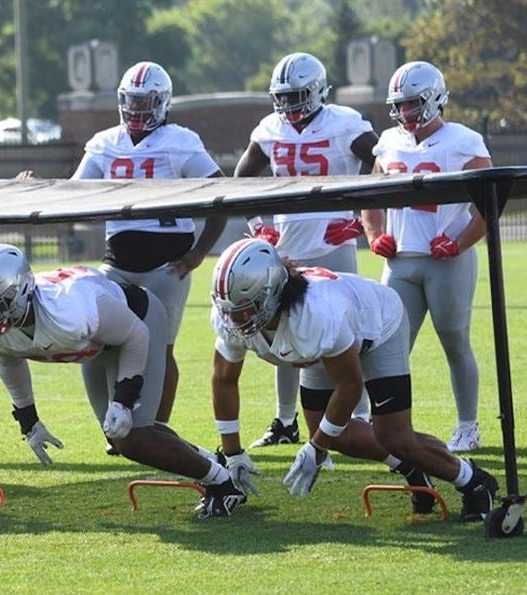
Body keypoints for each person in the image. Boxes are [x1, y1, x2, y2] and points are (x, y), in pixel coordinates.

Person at [210, 238, 498, 521]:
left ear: (272, 292)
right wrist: (233, 453)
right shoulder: (232, 320)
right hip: (323, 344)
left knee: (395, 436)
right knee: (330, 432)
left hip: (378, 324)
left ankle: (473, 481)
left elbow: (350, 385)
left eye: (246, 307)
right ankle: (413, 469)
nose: (235, 319)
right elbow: (224, 379)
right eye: (230, 309)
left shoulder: (315, 314)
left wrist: (317, 447)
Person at [0, 244, 246, 518]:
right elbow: (8, 358)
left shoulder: (69, 308)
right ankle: (215, 462)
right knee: (119, 432)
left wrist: (123, 401)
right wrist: (29, 421)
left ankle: (223, 484)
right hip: (100, 343)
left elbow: (136, 334)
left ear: (22, 291)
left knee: (133, 439)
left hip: (138, 321)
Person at [71, 60, 226, 435]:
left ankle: (157, 429)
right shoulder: (105, 143)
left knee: (161, 350)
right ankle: (114, 423)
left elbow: (222, 195)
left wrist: (198, 254)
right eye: (132, 100)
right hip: (116, 265)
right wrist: (36, 187)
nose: (137, 109)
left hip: (166, 267)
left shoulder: (180, 142)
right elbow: (72, 193)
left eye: (145, 101)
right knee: (100, 341)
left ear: (162, 102)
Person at [233, 53, 378, 448]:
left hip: (333, 245)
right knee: (282, 331)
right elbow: (242, 177)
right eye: (283, 96)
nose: (289, 104)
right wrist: (257, 225)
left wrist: (360, 216)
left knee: (346, 331)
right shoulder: (270, 128)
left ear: (317, 91)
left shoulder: (344, 122)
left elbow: (383, 163)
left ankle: (360, 415)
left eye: (296, 95)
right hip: (288, 248)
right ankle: (285, 421)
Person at [361, 61, 492, 453]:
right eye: (400, 105)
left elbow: (490, 203)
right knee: (386, 347)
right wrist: (375, 235)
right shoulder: (388, 141)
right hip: (401, 262)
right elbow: (371, 196)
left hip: (447, 263)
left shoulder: (463, 140)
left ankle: (468, 426)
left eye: (413, 103)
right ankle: (381, 424)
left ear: (435, 99)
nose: (405, 112)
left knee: (455, 342)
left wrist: (461, 242)